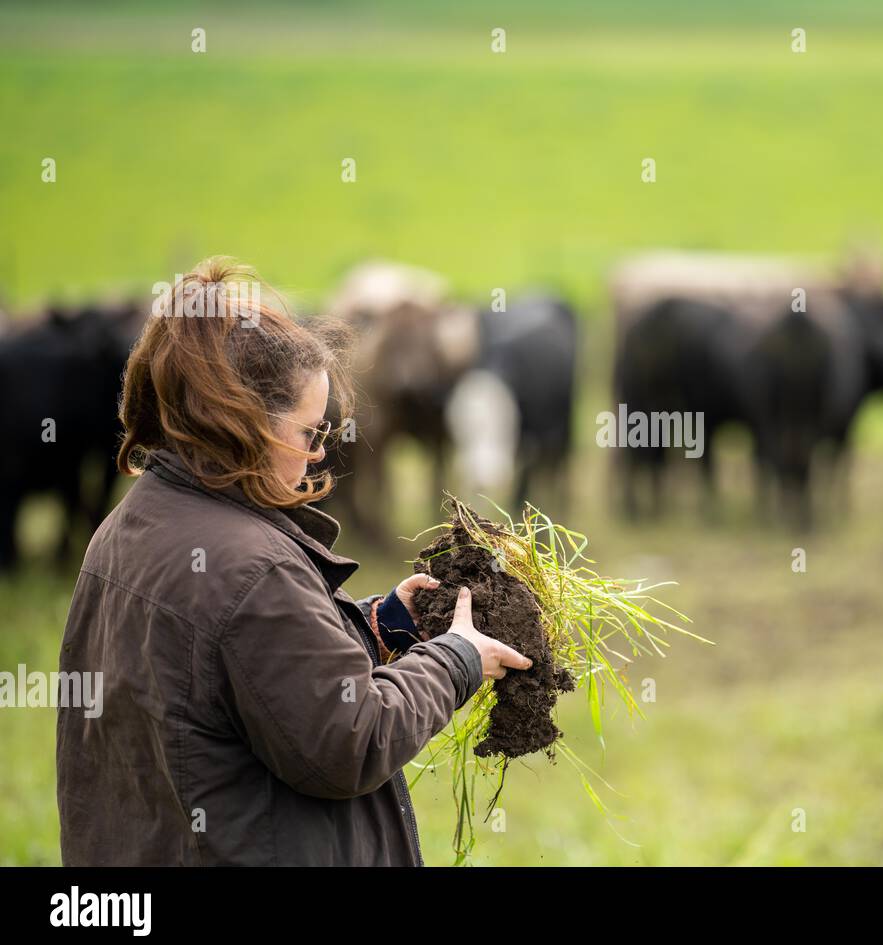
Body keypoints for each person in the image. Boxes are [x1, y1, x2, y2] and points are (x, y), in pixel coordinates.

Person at [55, 257, 532, 865]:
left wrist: (378, 626)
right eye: (309, 434)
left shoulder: (129, 526)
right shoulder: (251, 570)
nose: (314, 458)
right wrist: (457, 658)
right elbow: (351, 740)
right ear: (245, 423)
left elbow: (239, 669)